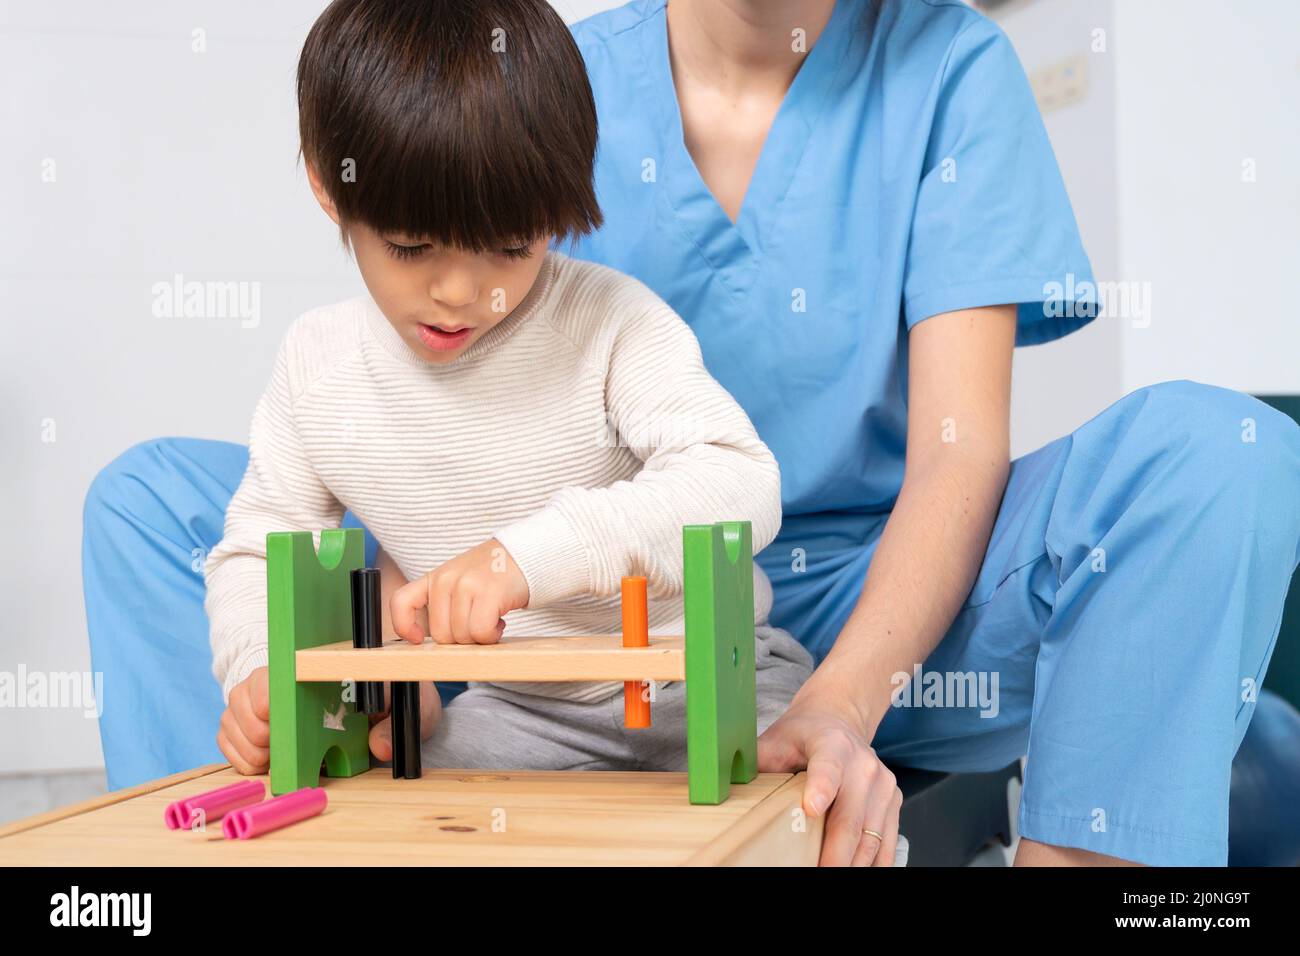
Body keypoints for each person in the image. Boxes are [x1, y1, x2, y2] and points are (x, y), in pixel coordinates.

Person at [84, 0, 1300, 867]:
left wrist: (837, 703)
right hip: (593, 620)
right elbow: (447, 417)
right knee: (152, 499)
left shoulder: (949, 66)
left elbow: (954, 450)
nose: (459, 283)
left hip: (878, 595)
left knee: (1221, 453)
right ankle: (230, 836)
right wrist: (390, 623)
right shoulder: (549, 72)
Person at [204, 0, 816, 824]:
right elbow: (258, 545)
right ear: (326, 183)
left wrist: (525, 559)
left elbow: (740, 481)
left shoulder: (611, 322)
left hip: (717, 688)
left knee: (810, 816)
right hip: (520, 713)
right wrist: (259, 668)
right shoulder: (317, 367)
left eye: (510, 246)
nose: (459, 294)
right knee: (401, 823)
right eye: (413, 248)